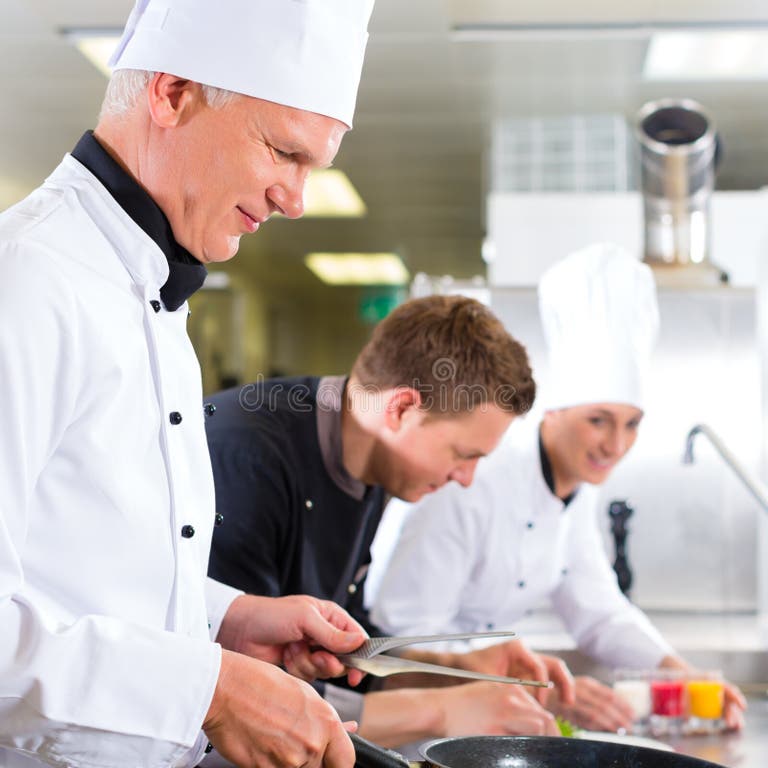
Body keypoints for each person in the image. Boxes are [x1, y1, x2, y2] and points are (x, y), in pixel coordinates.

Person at [0, 2, 377, 768]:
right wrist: (207, 690)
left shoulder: (153, 291)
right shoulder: (27, 283)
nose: (296, 200)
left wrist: (225, 619)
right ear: (171, 95)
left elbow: (77, 572)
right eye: (283, 152)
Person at [368, 245, 748, 733]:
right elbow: (403, 639)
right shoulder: (472, 478)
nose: (616, 445)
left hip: (485, 715)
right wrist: (539, 693)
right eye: (598, 421)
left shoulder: (573, 491)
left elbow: (598, 612)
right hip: (414, 718)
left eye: (632, 425)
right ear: (554, 412)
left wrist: (683, 676)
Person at [206, 295, 576, 750]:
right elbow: (245, 699)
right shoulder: (247, 458)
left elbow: (343, 658)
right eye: (463, 455)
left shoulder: (374, 464)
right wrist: (443, 711)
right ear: (400, 410)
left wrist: (458, 672)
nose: (465, 479)